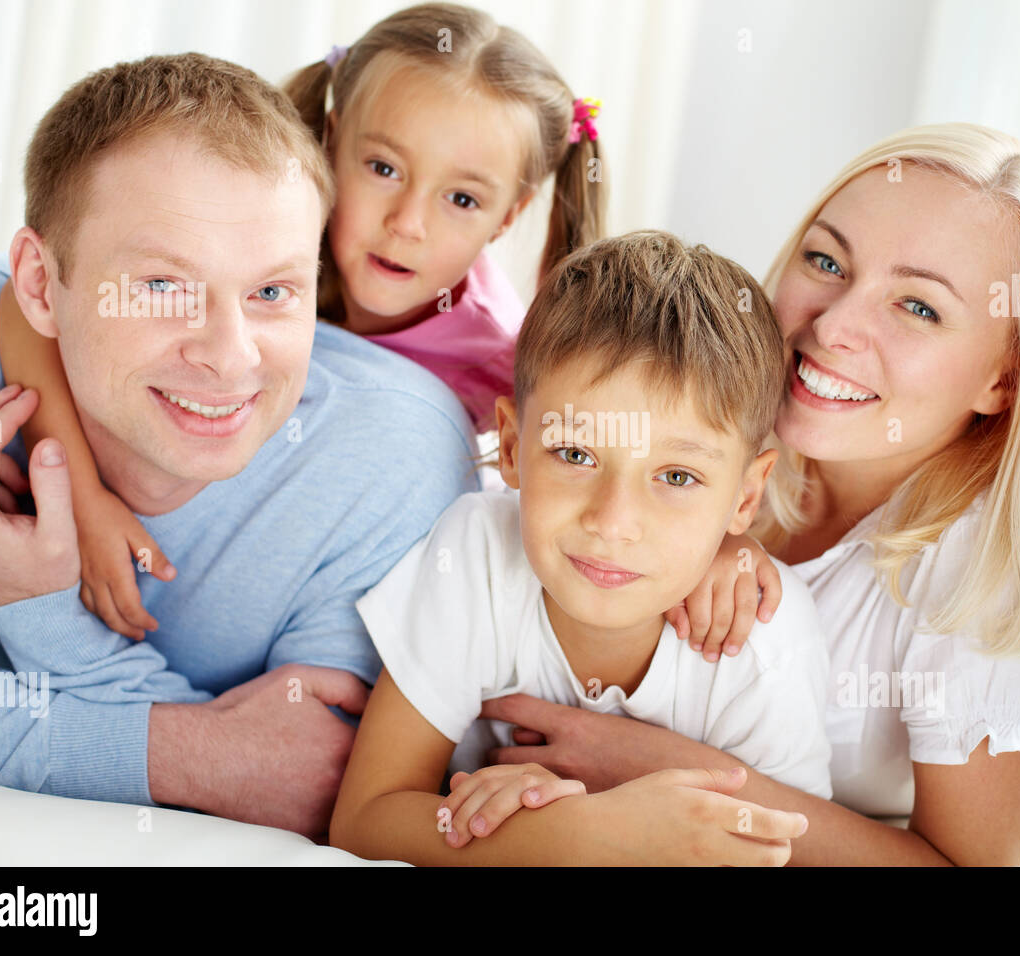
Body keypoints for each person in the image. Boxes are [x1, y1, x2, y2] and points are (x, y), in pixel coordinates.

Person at [473, 123, 1020, 865]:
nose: (834, 325)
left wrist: (663, 768)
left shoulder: (981, 574)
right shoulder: (710, 430)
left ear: (1003, 378)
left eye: (919, 308)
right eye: (826, 260)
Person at [0, 53, 477, 839]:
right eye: (164, 286)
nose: (231, 357)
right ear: (38, 284)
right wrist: (191, 754)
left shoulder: (397, 454)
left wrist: (42, 612)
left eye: (272, 292)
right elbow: (249, 767)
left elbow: (310, 774)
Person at [0, 1, 604, 641]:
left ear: (509, 215)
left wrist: (721, 557)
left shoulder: (499, 359)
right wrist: (82, 499)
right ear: (332, 140)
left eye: (462, 198)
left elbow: (609, 472)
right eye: (383, 168)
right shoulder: (251, 225)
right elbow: (25, 304)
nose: (408, 223)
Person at [330, 231, 825, 865]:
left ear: (745, 497)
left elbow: (781, 851)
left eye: (677, 477)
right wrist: (567, 833)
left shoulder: (764, 639)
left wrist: (569, 833)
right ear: (511, 449)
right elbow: (364, 819)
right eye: (575, 454)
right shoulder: (476, 553)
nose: (613, 522)